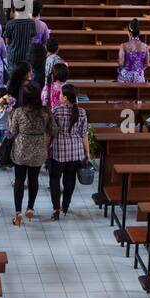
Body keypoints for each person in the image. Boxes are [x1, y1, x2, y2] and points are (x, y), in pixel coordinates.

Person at [9, 83, 55, 226]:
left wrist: (10, 118)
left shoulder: (19, 112)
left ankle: (18, 213)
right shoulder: (45, 112)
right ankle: (30, 208)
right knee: (33, 180)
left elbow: (12, 131)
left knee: (19, 181)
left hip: (21, 150)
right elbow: (54, 130)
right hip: (39, 150)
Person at [48, 83, 91, 220]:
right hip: (76, 152)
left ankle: (56, 208)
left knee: (54, 179)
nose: (59, 96)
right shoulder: (82, 112)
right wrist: (87, 153)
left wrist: (47, 147)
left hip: (59, 151)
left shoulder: (56, 111)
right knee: (70, 181)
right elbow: (84, 135)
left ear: (65, 98)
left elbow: (51, 132)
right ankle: (65, 206)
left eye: (61, 94)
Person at [3, 7, 37, 74]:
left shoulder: (10, 24)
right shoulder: (32, 22)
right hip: (27, 54)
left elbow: (7, 42)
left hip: (13, 55)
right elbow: (32, 40)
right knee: (25, 75)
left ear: (14, 10)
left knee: (13, 76)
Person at [117, 19, 150, 85]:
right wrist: (138, 70)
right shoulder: (145, 46)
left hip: (125, 77)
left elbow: (120, 63)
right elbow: (147, 64)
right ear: (139, 32)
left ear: (129, 32)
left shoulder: (123, 46)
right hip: (139, 77)